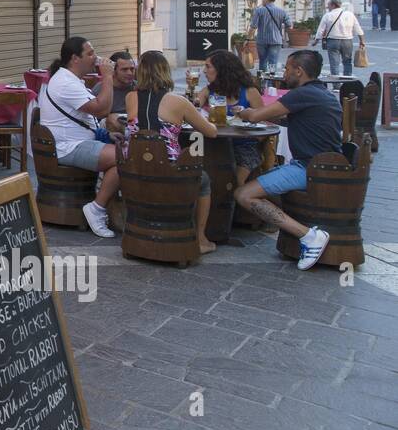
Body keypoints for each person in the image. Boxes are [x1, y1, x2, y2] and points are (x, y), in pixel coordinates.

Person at [233, 50, 341, 270]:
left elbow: (255, 116)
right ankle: (296, 228)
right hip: (324, 165)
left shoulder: (301, 95)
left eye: (288, 68)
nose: (284, 73)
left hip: (309, 168)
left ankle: (309, 236)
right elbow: (282, 117)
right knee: (262, 179)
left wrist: (241, 111)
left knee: (243, 194)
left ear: (299, 71)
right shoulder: (320, 93)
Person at [124, 51, 219, 254]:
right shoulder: (178, 102)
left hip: (135, 170)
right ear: (165, 72)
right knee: (203, 179)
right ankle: (201, 239)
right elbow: (210, 132)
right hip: (169, 173)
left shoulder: (130, 98)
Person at [37, 36, 118, 238]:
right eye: (90, 53)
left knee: (124, 154)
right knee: (123, 157)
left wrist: (106, 133)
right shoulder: (65, 83)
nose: (95, 57)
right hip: (69, 147)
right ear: (75, 58)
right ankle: (97, 209)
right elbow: (102, 109)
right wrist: (107, 77)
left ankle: (102, 207)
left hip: (78, 141)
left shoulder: (71, 80)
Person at [195, 49, 266, 187]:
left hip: (245, 147)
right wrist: (191, 88)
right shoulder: (209, 90)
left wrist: (244, 133)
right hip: (215, 144)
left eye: (208, 66)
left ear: (222, 70)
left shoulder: (249, 92)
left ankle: (234, 206)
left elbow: (262, 128)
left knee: (234, 181)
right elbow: (192, 109)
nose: (204, 71)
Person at [312, 0, 364, 76]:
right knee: (347, 62)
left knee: (334, 63)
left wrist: (316, 41)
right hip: (347, 41)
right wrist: (362, 41)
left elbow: (321, 30)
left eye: (328, 5)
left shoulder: (327, 15)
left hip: (333, 41)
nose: (327, 7)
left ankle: (336, 85)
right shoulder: (350, 14)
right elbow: (357, 28)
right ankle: (347, 83)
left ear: (333, 5)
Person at [246, 0, 289, 71]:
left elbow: (253, 27)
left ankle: (263, 82)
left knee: (262, 62)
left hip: (262, 41)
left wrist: (247, 39)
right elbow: (289, 25)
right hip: (276, 41)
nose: (262, 0)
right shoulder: (282, 11)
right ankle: (271, 82)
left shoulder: (259, 11)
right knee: (273, 63)